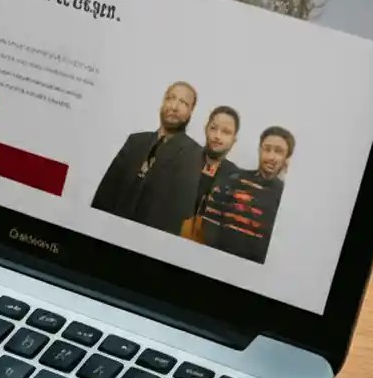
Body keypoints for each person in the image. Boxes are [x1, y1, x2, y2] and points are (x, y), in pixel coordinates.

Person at [91, 82, 203, 234]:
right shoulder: (135, 141)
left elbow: (180, 212)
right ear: (163, 103)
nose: (174, 107)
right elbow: (105, 192)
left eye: (183, 103)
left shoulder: (193, 154)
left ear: (191, 111)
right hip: (108, 235)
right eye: (171, 98)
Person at [196, 126, 295, 264]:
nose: (271, 157)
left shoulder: (286, 198)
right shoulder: (233, 179)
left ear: (286, 157)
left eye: (278, 151)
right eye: (267, 149)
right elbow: (209, 223)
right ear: (260, 150)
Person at [180, 106, 241, 241]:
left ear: (233, 140)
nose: (217, 136)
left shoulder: (237, 180)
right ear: (206, 129)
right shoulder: (183, 159)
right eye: (213, 128)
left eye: (226, 132)